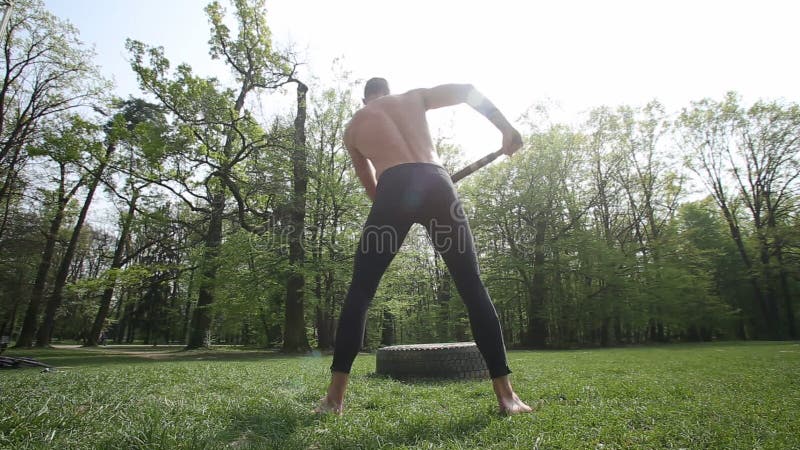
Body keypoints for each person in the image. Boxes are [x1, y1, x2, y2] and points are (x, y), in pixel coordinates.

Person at [316, 78, 532, 416]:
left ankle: (334, 399)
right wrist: (506, 129)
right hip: (438, 184)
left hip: (391, 190)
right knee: (472, 286)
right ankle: (507, 396)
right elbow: (466, 90)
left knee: (361, 291)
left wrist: (399, 206)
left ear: (365, 99)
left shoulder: (354, 128)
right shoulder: (412, 98)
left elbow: (374, 193)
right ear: (387, 91)